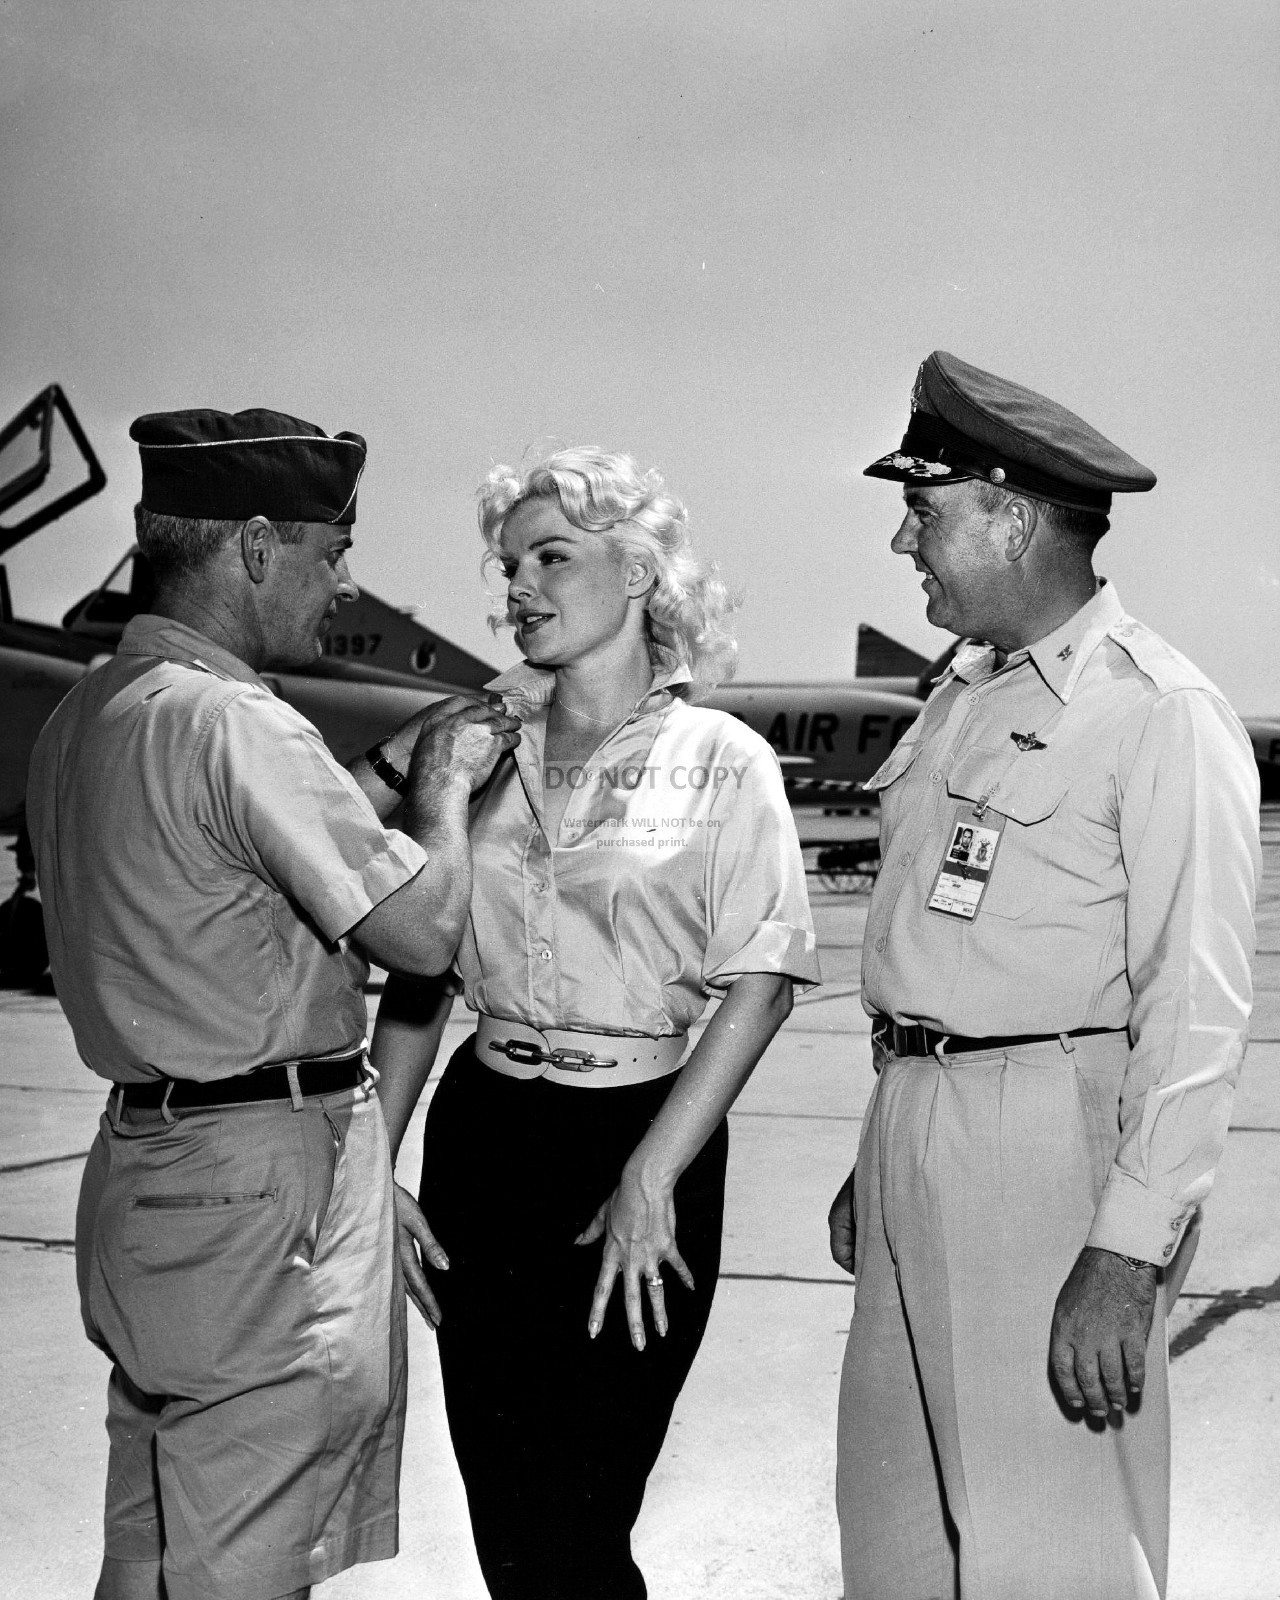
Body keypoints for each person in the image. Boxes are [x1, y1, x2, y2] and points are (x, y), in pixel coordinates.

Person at [26, 408, 520, 1600]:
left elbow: (222, 863)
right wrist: (444, 792)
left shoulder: (89, 710)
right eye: (326, 551)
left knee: (146, 1552)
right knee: (244, 1564)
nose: (339, 582)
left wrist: (379, 777)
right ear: (253, 545)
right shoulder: (239, 718)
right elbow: (421, 930)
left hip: (146, 1177)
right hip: (262, 1200)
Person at [827, 352, 1261, 1600]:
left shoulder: (1155, 713)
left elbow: (1195, 1012)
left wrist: (1127, 1255)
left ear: (1010, 516)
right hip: (915, 1120)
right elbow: (934, 936)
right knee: (899, 1542)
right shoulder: (959, 697)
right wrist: (882, 1148)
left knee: (1051, 1555)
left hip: (1041, 1150)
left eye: (922, 508)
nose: (900, 537)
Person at [372, 448, 820, 1600]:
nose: (516, 586)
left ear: (637, 575)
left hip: (637, 1147)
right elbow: (421, 976)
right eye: (508, 564)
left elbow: (761, 978)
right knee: (506, 1516)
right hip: (481, 1142)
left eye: (550, 558)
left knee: (581, 1506)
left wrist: (649, 1176)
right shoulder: (470, 759)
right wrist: (367, 1160)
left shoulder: (721, 762)